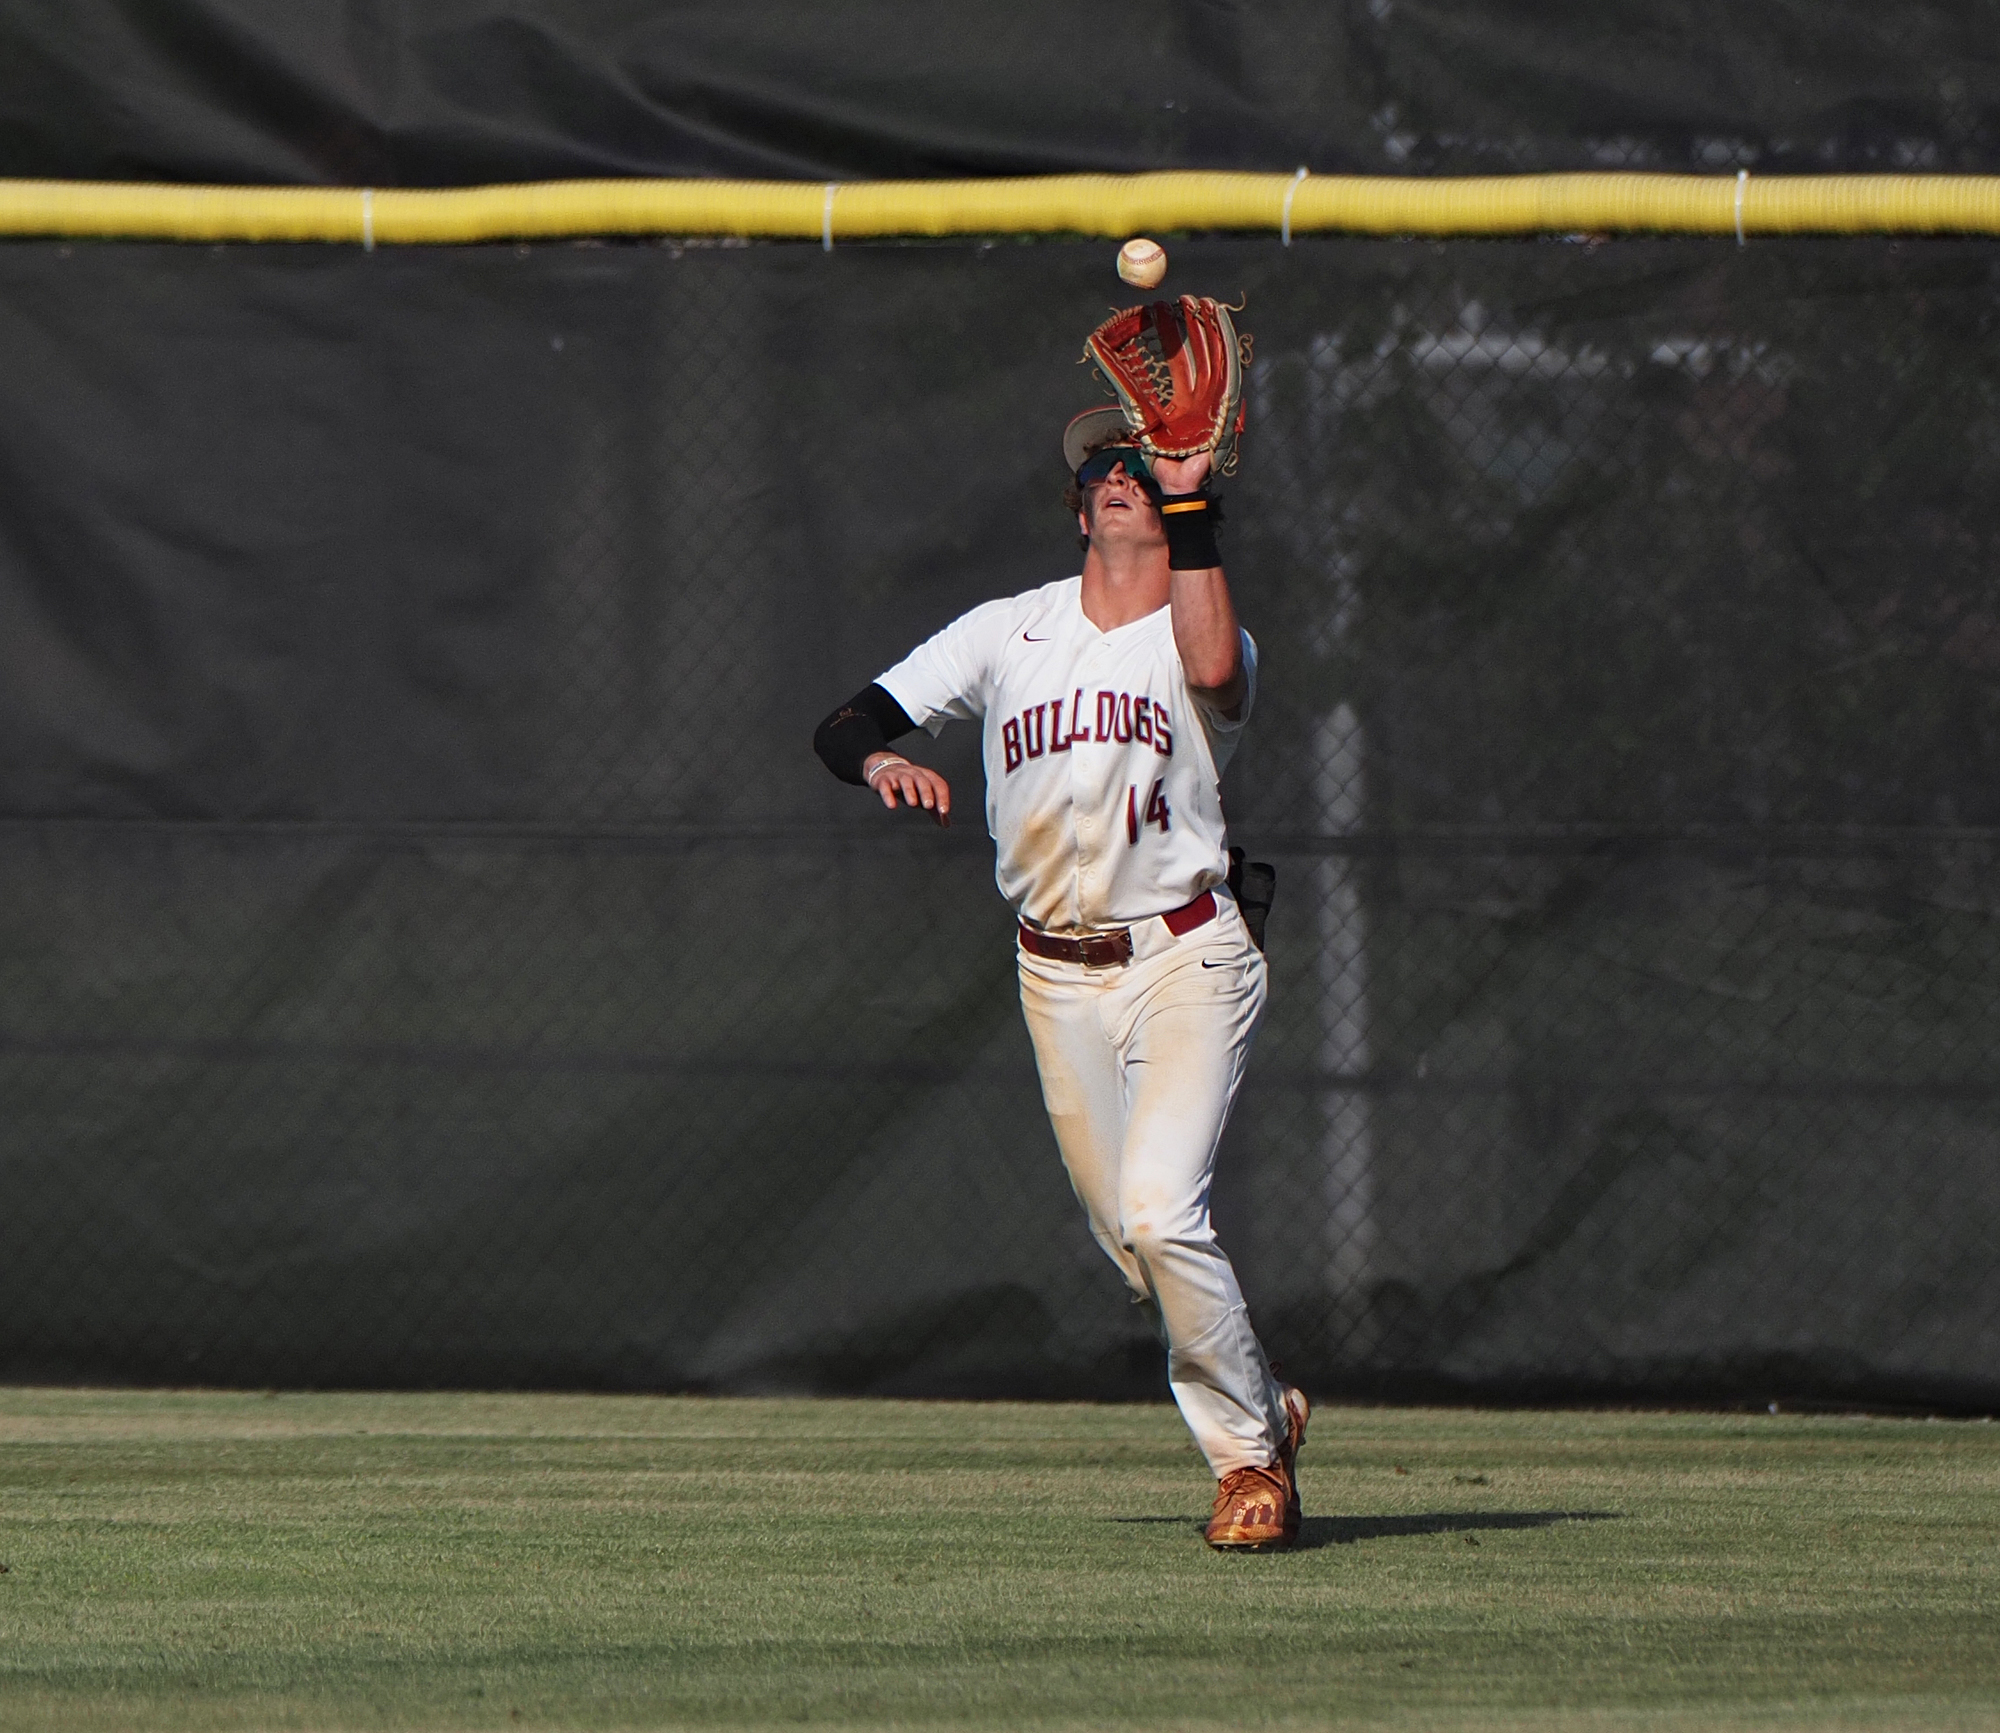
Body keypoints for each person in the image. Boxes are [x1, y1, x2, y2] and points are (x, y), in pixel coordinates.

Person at [812, 412, 1306, 1550]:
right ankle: (1265, 1401)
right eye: (1101, 468)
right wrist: (883, 757)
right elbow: (846, 723)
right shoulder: (1006, 632)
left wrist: (1193, 511)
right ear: (1077, 507)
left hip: (1186, 951)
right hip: (1056, 973)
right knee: (1135, 1250)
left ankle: (1245, 1466)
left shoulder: (1197, 622)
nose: (1119, 476)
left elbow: (1217, 671)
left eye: (1139, 463)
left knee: (1158, 1207)